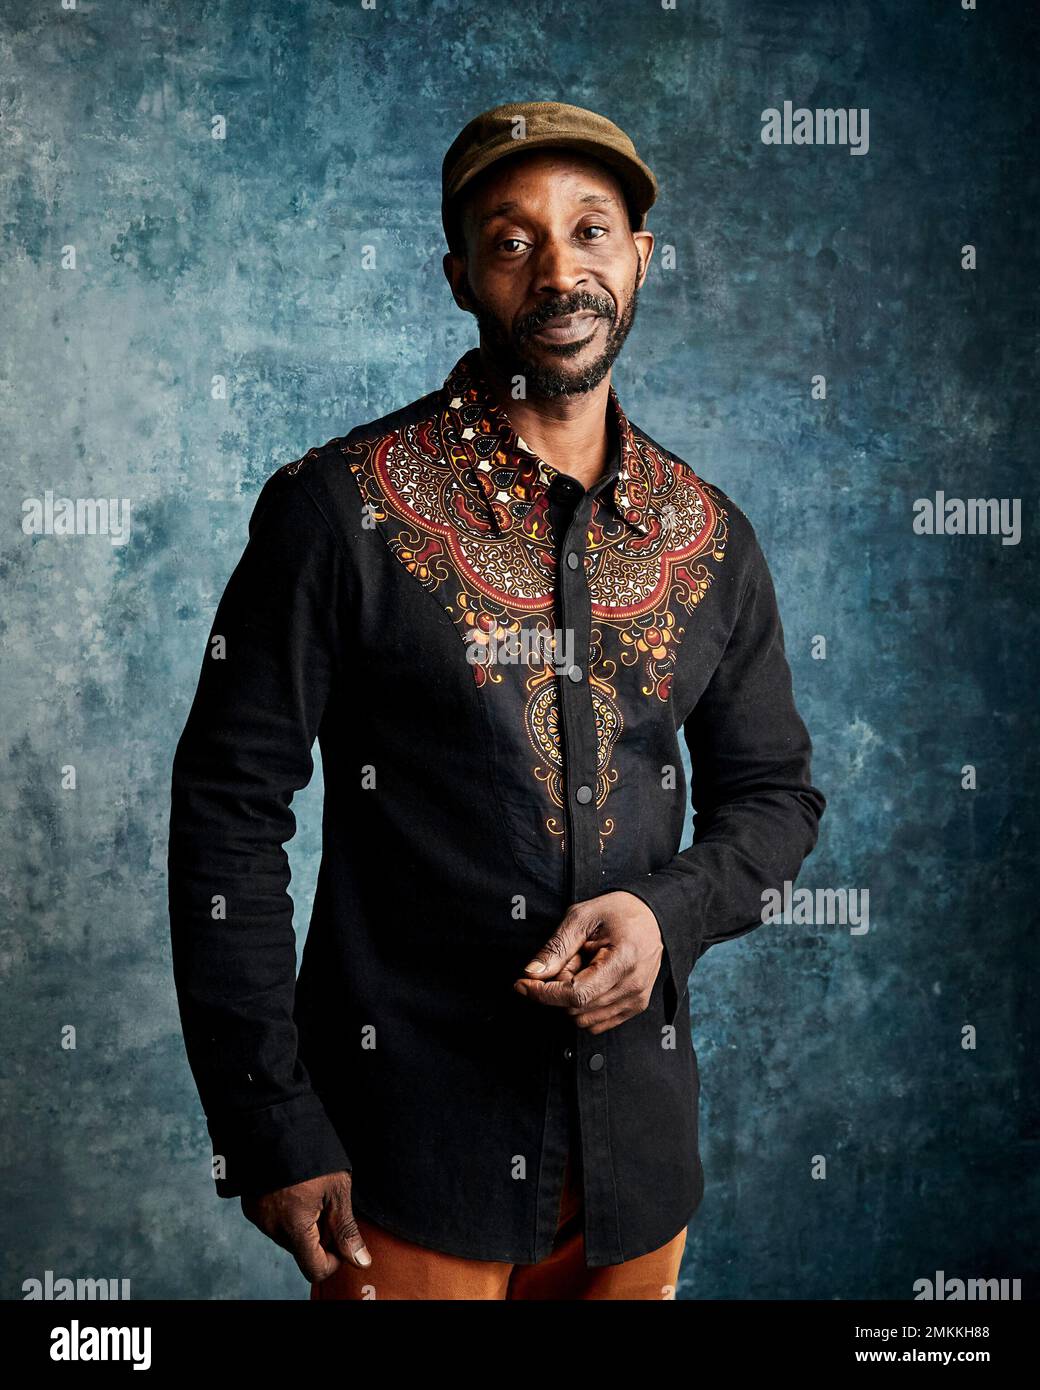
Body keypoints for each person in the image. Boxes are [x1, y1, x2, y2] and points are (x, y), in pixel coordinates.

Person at [167, 99, 826, 1301]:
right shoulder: (339, 509)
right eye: (512, 238)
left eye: (591, 230)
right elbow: (227, 809)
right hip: (406, 1162)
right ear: (460, 273)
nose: (559, 267)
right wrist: (269, 1119)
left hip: (637, 1172)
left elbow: (776, 796)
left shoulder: (707, 538)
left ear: (638, 258)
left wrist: (664, 916)